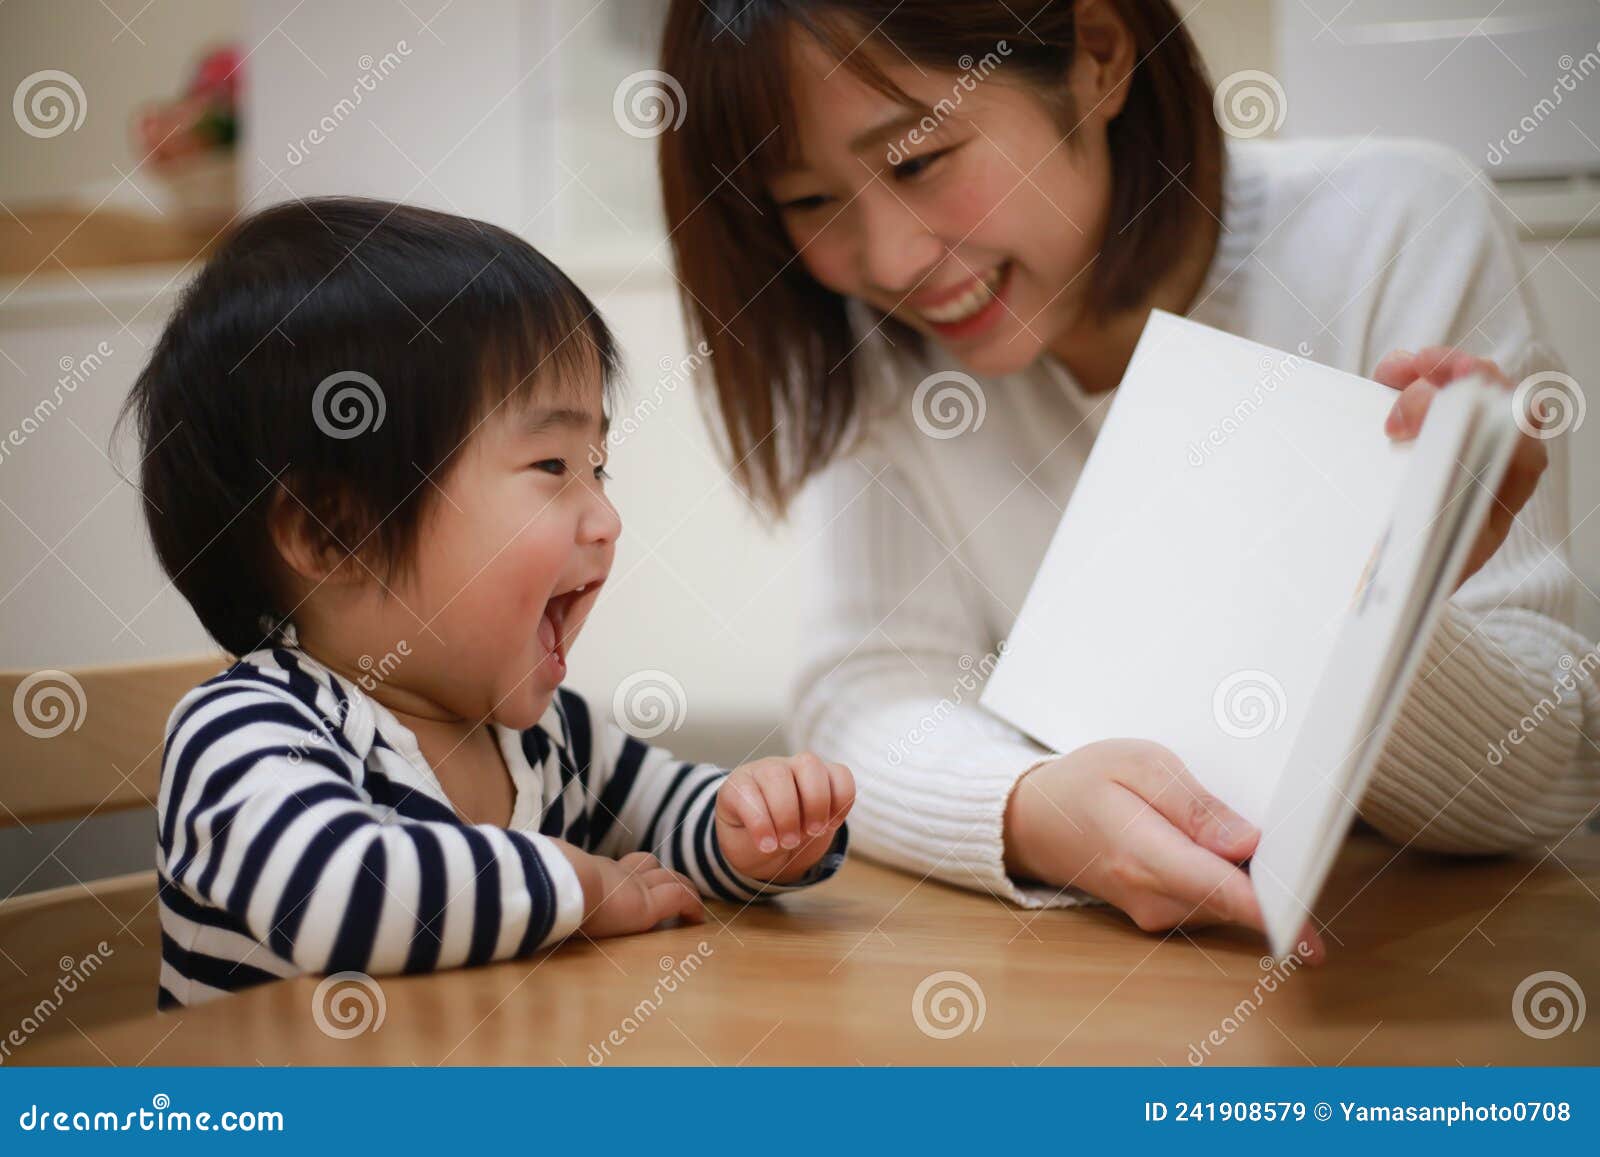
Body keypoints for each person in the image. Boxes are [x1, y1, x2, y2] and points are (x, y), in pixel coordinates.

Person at [656, 0, 1599, 958]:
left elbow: (1546, 787)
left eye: (916, 161)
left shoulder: (1398, 228)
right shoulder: (880, 351)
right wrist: (1029, 812)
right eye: (811, 200)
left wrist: (1376, 628)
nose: (890, 258)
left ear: (1098, 57)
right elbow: (868, 696)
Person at [125, 198, 852, 1007]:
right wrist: (590, 888)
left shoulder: (550, 739)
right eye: (551, 465)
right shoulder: (246, 731)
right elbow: (345, 898)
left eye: (598, 466)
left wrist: (754, 829)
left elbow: (668, 812)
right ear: (335, 532)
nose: (607, 519)